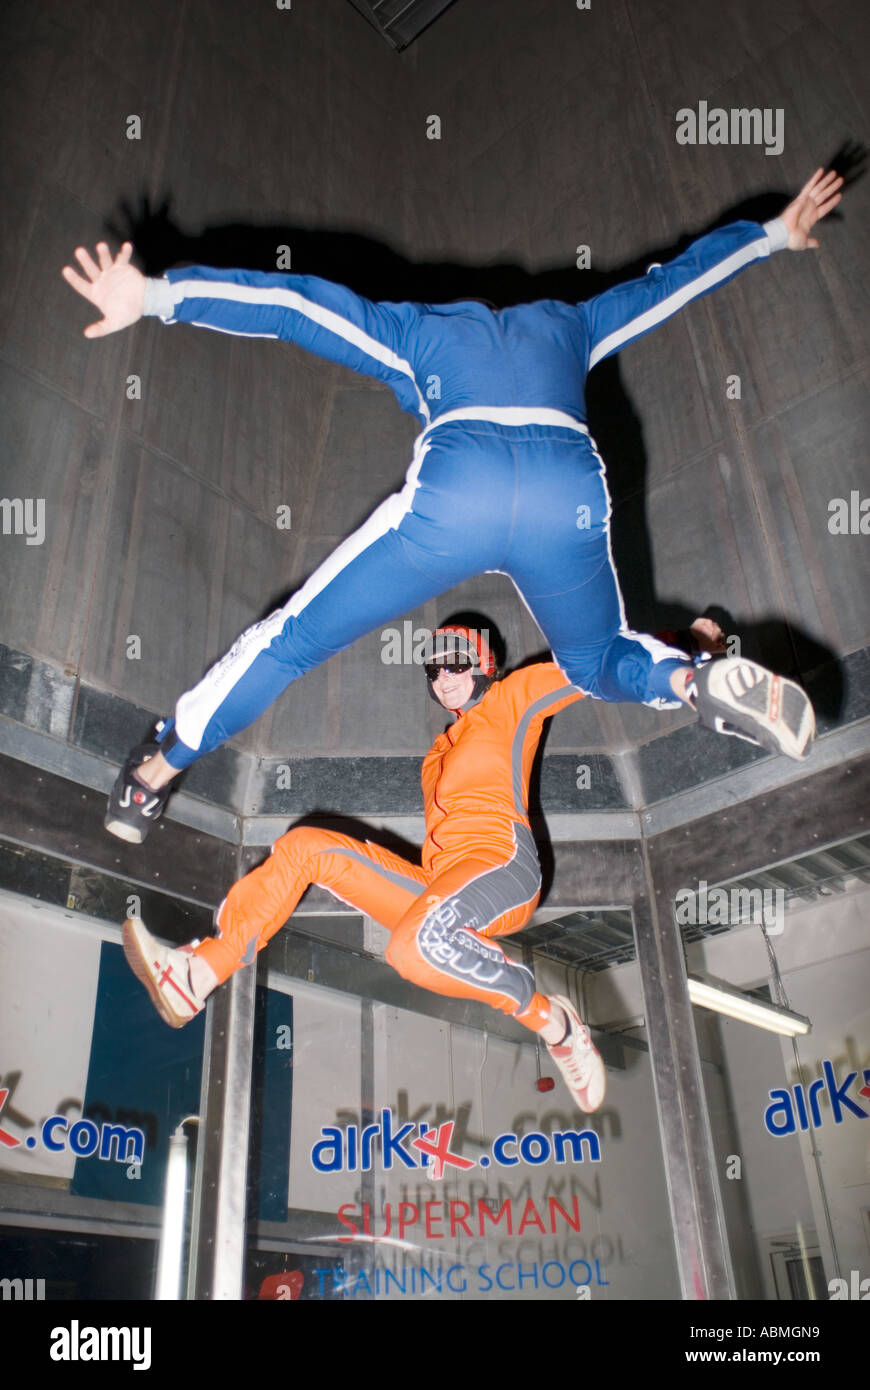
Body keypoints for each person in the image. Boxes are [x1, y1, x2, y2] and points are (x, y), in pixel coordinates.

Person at [61, 169, 842, 844]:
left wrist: (163, 295)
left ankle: (159, 769)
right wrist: (772, 232)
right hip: (565, 490)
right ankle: (690, 683)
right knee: (601, 663)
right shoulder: (569, 324)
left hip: (456, 491)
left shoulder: (419, 335)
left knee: (293, 640)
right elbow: (665, 287)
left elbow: (302, 308)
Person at [122, 624, 609, 1114]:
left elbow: (593, 666)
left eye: (456, 662)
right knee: (305, 847)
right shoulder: (438, 754)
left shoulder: (511, 699)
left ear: (485, 662)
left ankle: (555, 1025)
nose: (443, 677)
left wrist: (681, 655)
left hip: (504, 866)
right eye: (433, 669)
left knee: (412, 949)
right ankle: (202, 973)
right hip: (442, 884)